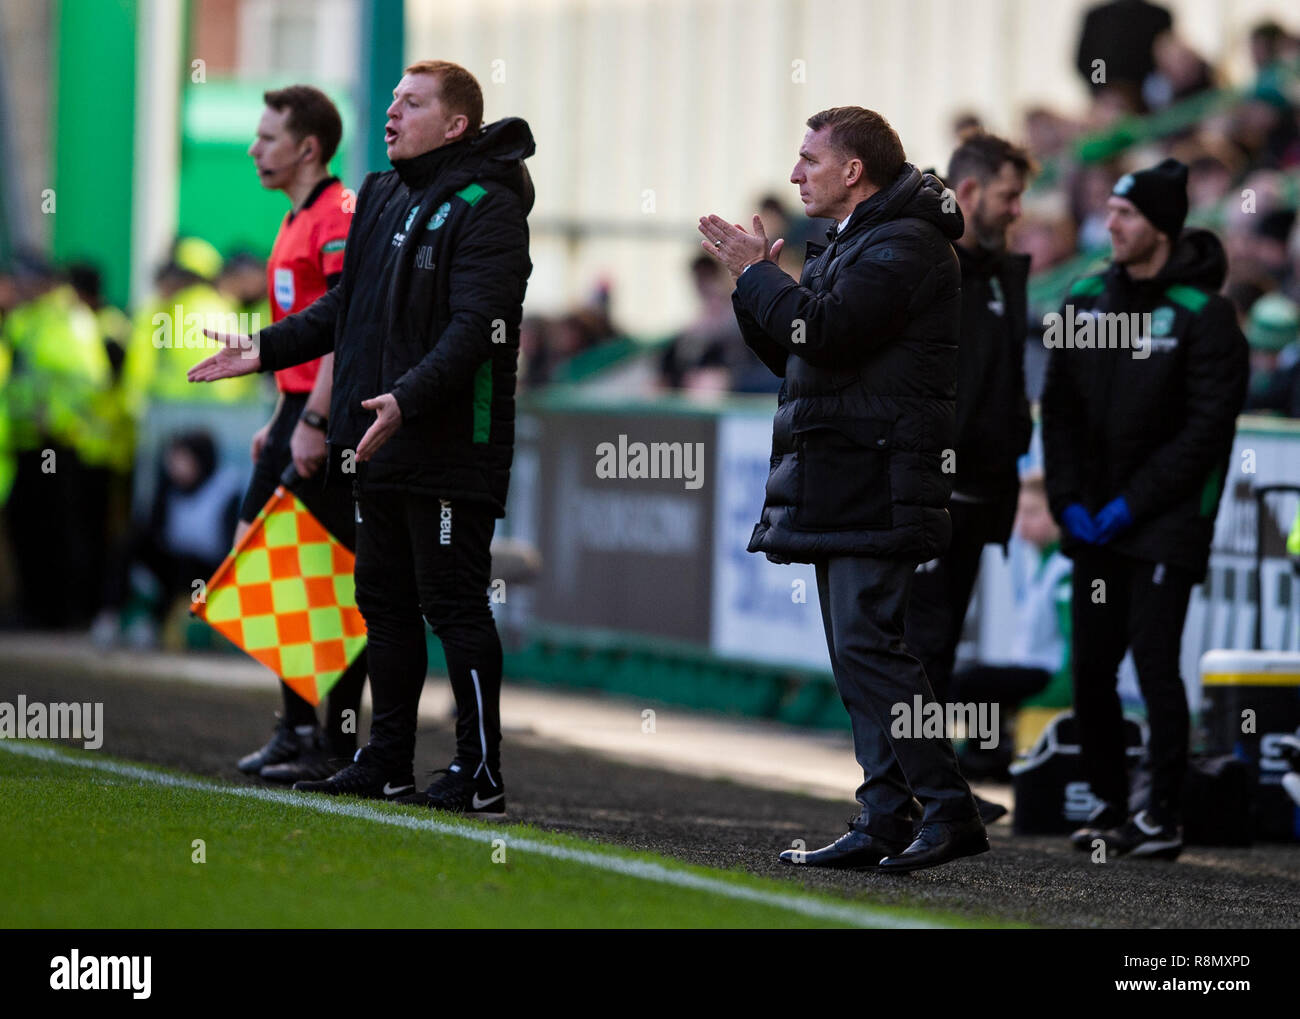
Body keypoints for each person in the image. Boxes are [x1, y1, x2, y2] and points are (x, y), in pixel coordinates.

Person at [190, 60, 534, 816]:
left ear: (455, 124)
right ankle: (385, 760)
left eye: (410, 104)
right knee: (381, 599)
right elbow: (349, 305)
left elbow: (479, 327)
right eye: (390, 101)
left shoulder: (488, 203)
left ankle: (480, 771)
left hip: (447, 441)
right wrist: (265, 347)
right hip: (374, 438)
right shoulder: (380, 193)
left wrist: (406, 400)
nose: (390, 113)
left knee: (453, 603)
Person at [700, 106, 987, 873]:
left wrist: (759, 274)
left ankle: (948, 806)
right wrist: (755, 283)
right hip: (851, 471)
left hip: (878, 474)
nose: (796, 174)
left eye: (809, 160)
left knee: (871, 644)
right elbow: (800, 355)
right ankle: (884, 815)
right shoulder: (861, 240)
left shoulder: (904, 244)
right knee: (858, 650)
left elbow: (821, 332)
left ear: (853, 171)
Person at [1042, 158, 1248, 859]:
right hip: (1094, 517)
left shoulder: (1203, 315)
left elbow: (1206, 431)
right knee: (1093, 665)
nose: (1111, 223)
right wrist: (1068, 498)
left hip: (1165, 521)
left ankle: (1160, 812)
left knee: (1154, 663)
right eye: (1111, 211)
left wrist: (1135, 501)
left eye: (1125, 214)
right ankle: (1108, 801)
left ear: (1159, 226)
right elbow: (1060, 412)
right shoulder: (1084, 299)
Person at [232, 84, 368, 783]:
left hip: (327, 415)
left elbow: (347, 327)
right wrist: (278, 417)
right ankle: (297, 728)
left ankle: (335, 740)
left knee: (320, 573)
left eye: (267, 137)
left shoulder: (338, 215)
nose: (255, 149)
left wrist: (313, 419)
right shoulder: (295, 218)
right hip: (295, 410)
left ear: (307, 148)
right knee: (267, 564)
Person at [902, 134, 1034, 803]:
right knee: (920, 643)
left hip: (980, 494)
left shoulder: (1006, 273)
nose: (1018, 211)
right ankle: (915, 787)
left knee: (942, 643)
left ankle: (930, 783)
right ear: (973, 191)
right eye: (1010, 196)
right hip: (929, 488)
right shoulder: (927, 263)